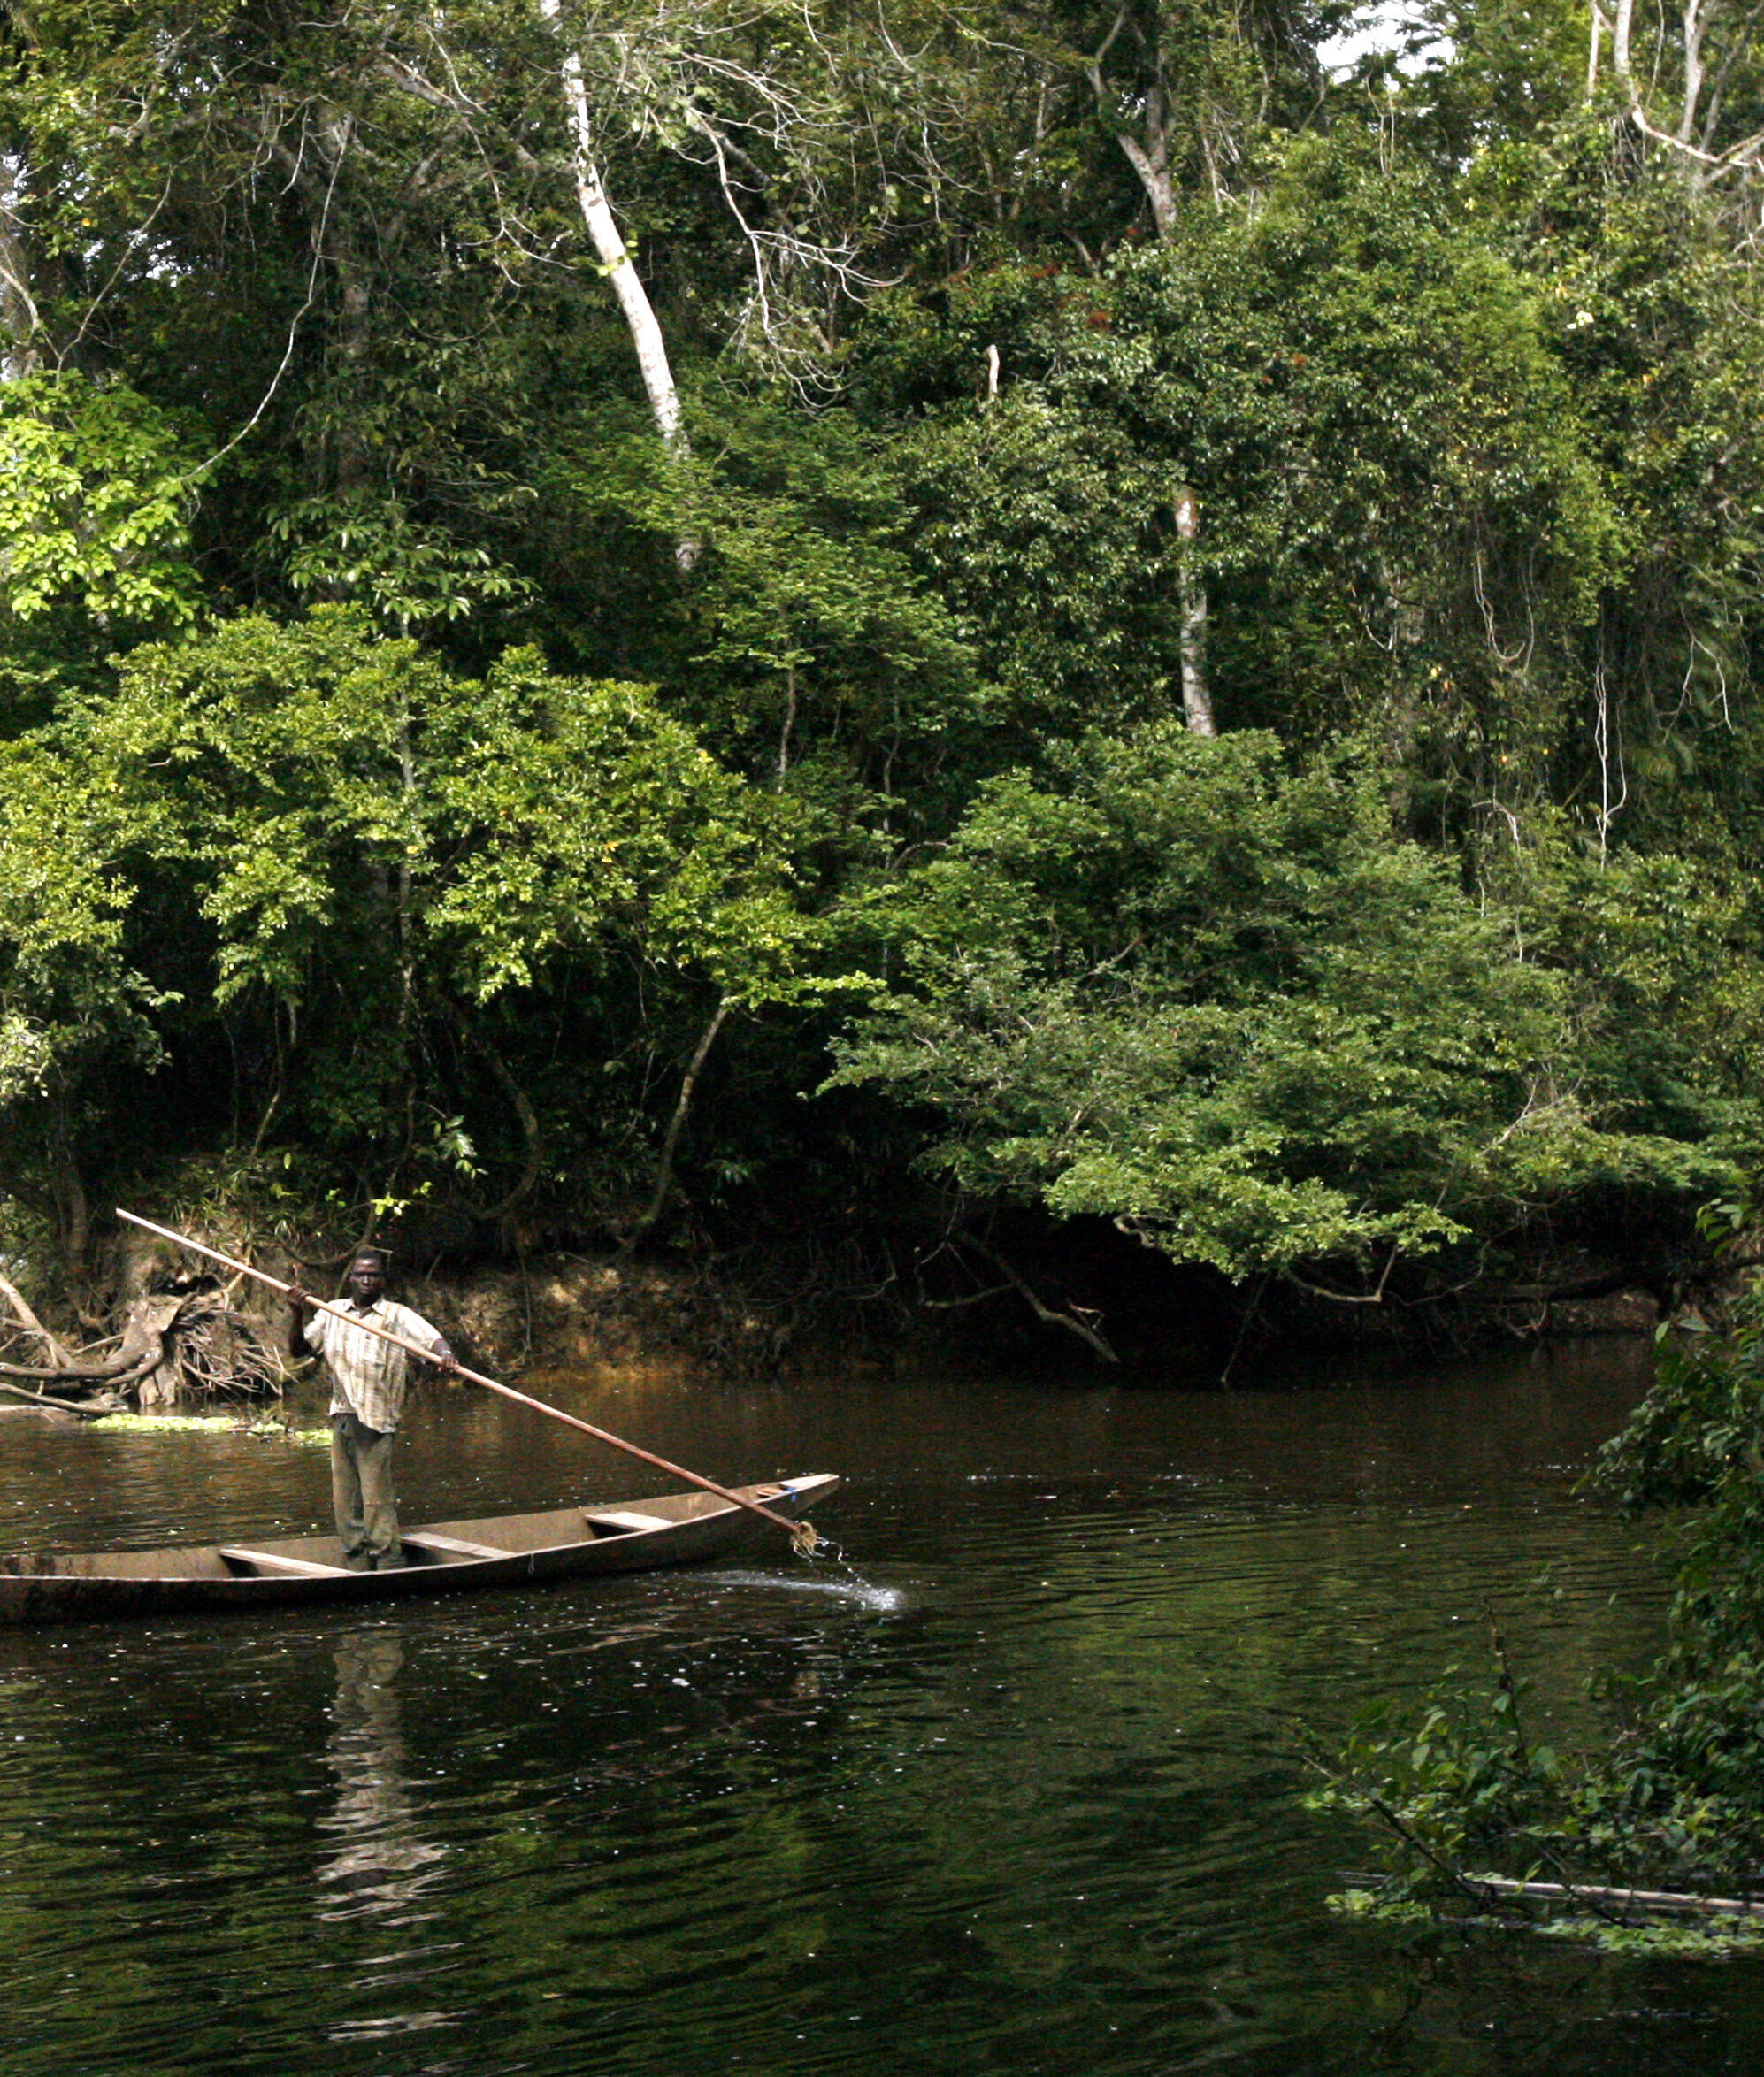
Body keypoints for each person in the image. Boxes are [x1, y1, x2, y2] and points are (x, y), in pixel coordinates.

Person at [288, 1250, 460, 1570]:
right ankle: (356, 1560)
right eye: (360, 1274)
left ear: (383, 1280)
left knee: (376, 1499)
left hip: (376, 1419)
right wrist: (297, 1313)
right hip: (343, 1414)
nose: (366, 1280)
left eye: (373, 1275)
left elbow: (433, 1339)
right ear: (351, 1278)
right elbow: (299, 1349)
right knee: (344, 1499)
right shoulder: (332, 1312)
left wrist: (446, 1354)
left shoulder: (396, 1315)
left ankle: (388, 1560)